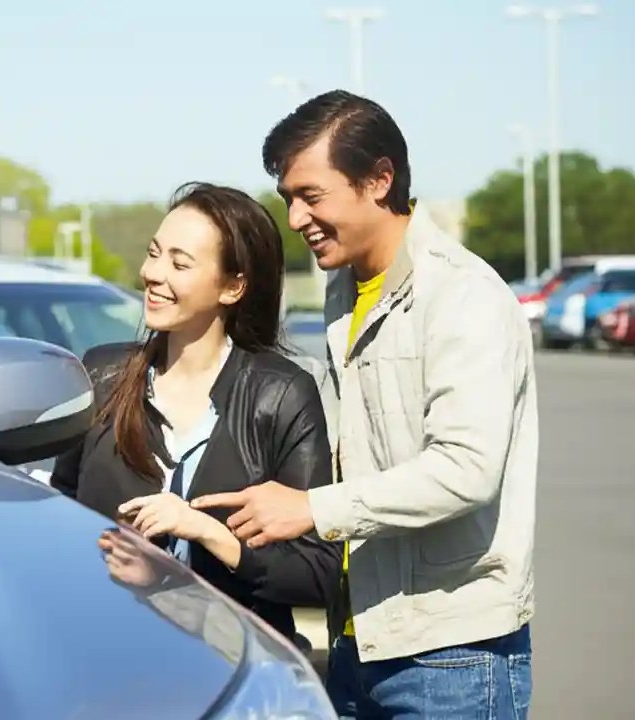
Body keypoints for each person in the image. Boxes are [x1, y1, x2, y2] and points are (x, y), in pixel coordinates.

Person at [191, 90, 538, 718]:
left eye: (311, 196)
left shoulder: (463, 297)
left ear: (380, 179)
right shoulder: (342, 287)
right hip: (358, 640)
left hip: (451, 657)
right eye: (288, 198)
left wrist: (312, 508)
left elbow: (467, 469)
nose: (296, 218)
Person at [50, 181, 341, 641]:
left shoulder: (283, 394)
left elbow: (319, 573)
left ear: (232, 286)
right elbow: (60, 519)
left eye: (179, 263)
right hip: (106, 651)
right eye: (154, 253)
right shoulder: (102, 374)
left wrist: (208, 534)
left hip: (236, 669)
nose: (153, 273)